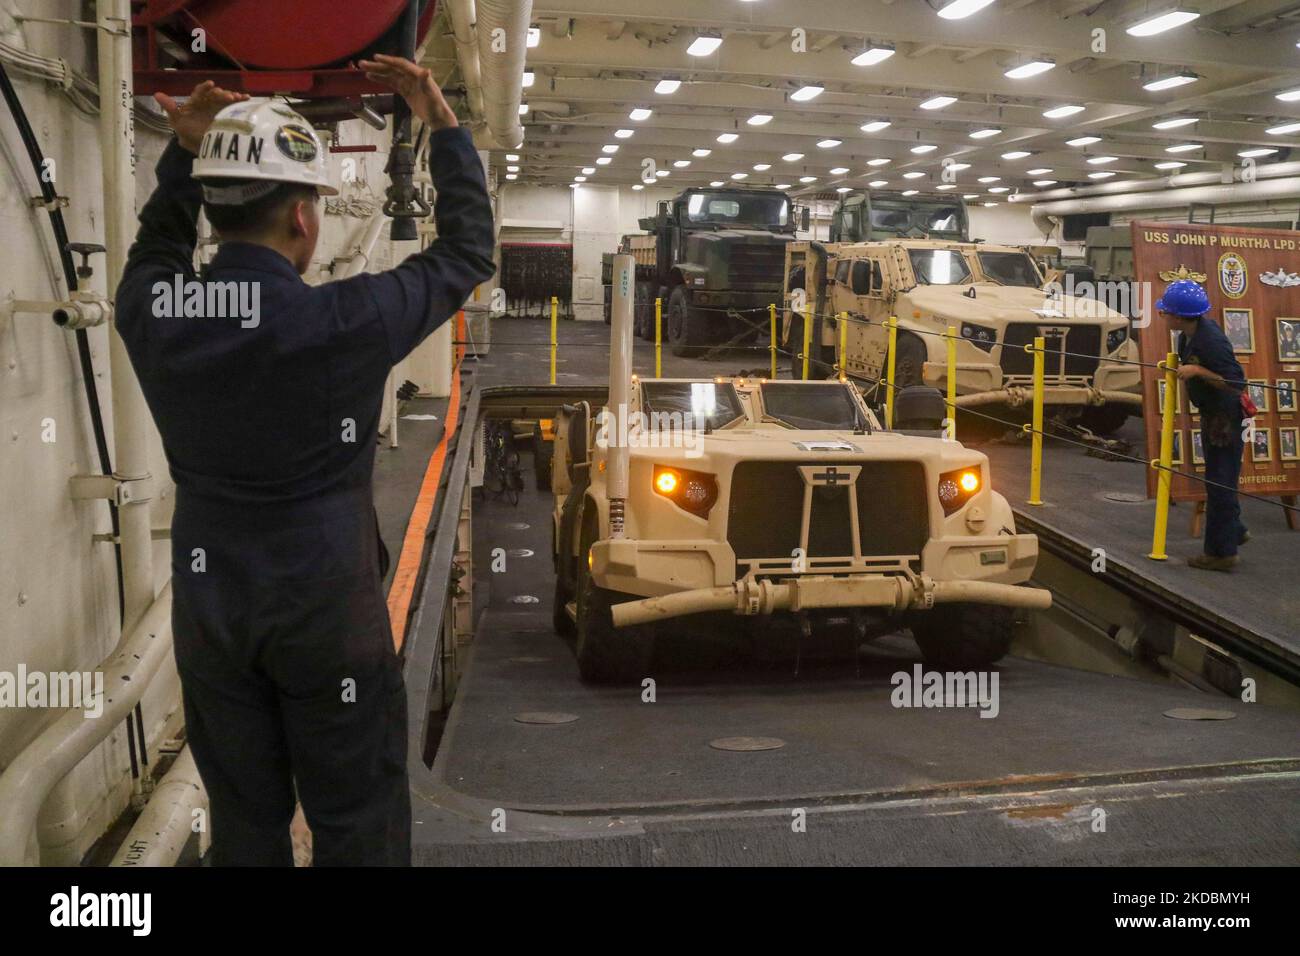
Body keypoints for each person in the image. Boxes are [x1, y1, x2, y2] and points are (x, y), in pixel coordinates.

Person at [115, 56, 495, 864]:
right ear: (303, 217)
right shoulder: (346, 322)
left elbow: (153, 252)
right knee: (356, 818)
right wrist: (439, 122)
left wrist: (187, 152)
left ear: (215, 215)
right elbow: (467, 253)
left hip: (213, 612)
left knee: (245, 824)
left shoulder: (161, 310)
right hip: (327, 614)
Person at [1158, 279, 1248, 571]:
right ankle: (1234, 530)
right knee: (1218, 477)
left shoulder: (1211, 340)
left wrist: (1197, 370)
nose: (1162, 315)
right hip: (1213, 415)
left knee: (1219, 481)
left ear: (1180, 316)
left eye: (1166, 312)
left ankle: (1222, 554)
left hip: (1225, 419)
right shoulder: (1188, 335)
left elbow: (1236, 383)